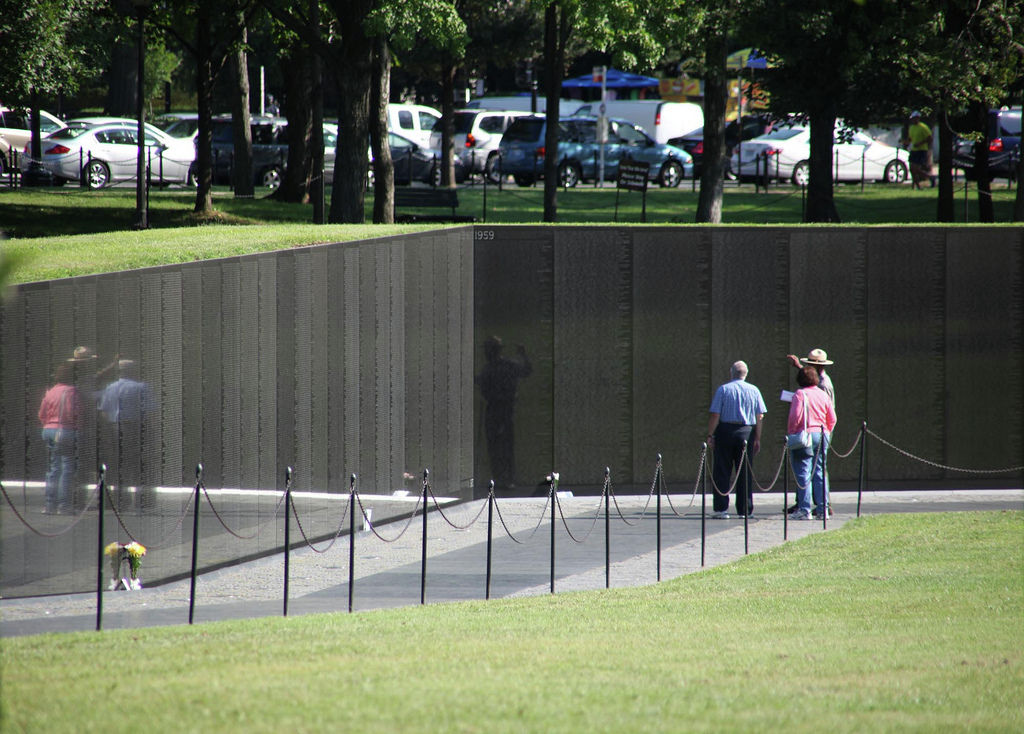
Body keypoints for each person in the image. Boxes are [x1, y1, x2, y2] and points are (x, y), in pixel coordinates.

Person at [706, 361, 767, 518]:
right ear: (746, 374)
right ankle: (745, 510)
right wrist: (757, 438)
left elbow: (715, 415)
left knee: (722, 471)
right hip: (746, 431)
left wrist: (710, 435)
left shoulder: (723, 389)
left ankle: (721, 509)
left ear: (731, 373)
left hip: (725, 430)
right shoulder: (754, 390)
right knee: (745, 472)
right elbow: (759, 416)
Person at [476, 337, 532, 489]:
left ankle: (507, 479)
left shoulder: (507, 366)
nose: (487, 353)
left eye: (489, 349)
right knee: (495, 449)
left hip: (503, 412)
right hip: (494, 412)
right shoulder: (488, 369)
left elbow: (526, 371)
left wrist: (524, 355)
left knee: (505, 448)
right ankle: (500, 479)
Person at [787, 366, 838, 520]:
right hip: (823, 434)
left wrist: (792, 432)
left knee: (803, 472)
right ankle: (823, 509)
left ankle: (804, 509)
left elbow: (795, 417)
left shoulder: (800, 394)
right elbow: (833, 418)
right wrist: (827, 431)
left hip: (806, 435)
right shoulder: (823, 394)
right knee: (820, 472)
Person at [38, 363, 82, 515]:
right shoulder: (71, 390)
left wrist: (48, 424)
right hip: (65, 430)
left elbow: (41, 414)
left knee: (53, 469)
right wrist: (77, 424)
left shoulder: (50, 391)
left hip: (48, 430)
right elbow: (71, 411)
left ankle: (50, 505)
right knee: (67, 468)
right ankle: (64, 506)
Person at [903, 111, 936, 189]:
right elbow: (910, 139)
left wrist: (920, 143)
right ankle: (917, 186)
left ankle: (930, 177)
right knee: (912, 169)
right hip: (914, 150)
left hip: (921, 150)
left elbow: (930, 138)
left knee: (917, 169)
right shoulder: (911, 128)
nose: (913, 120)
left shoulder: (923, 127)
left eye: (914, 118)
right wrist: (904, 141)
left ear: (918, 118)